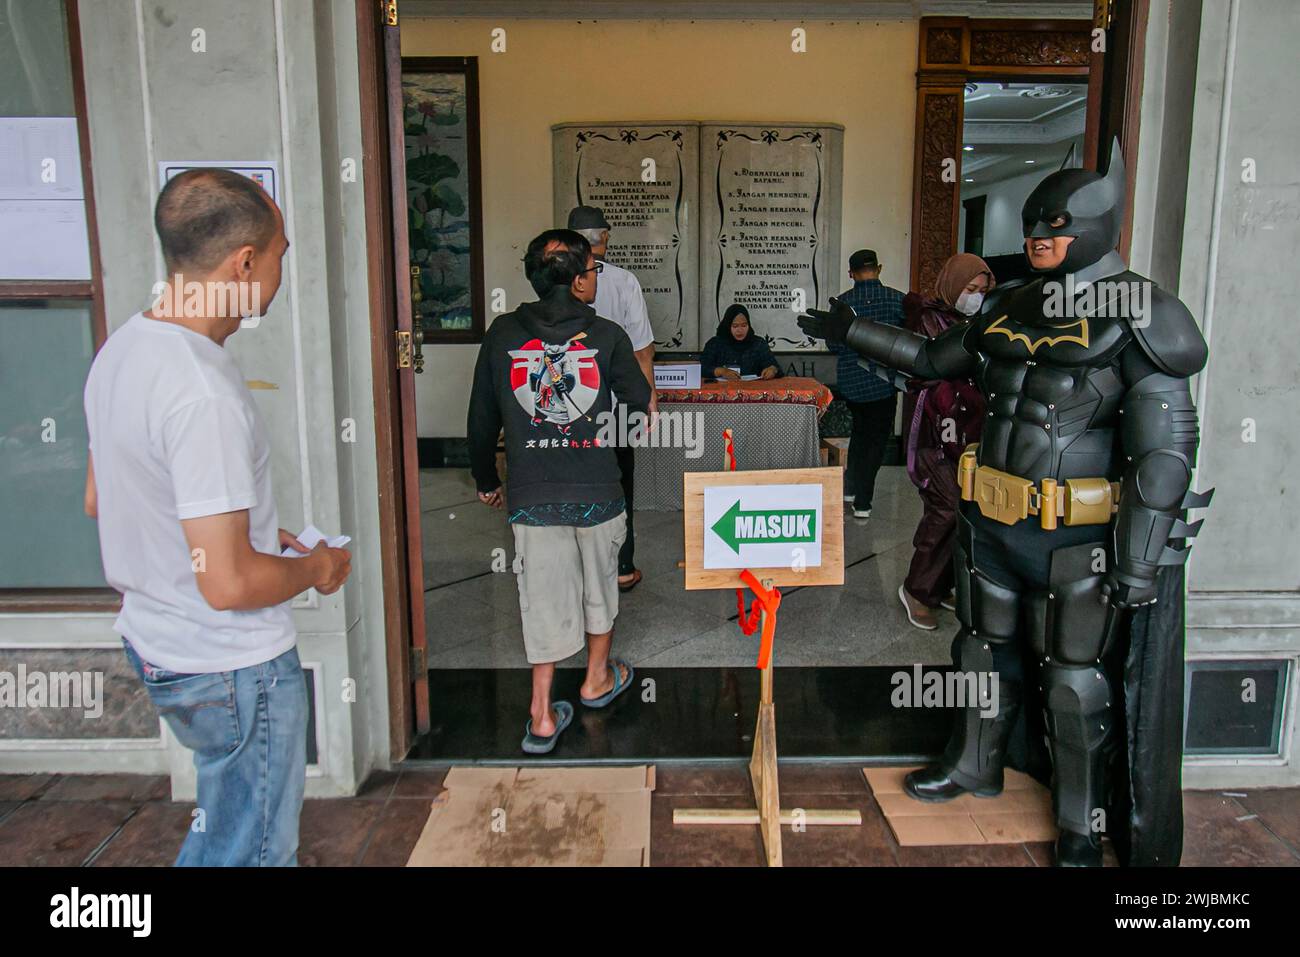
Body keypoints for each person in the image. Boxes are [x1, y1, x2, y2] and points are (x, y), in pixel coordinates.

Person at [800, 141, 1210, 866]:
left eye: (1054, 224)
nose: (1037, 237)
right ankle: (974, 763)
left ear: (1096, 224)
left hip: (1074, 536)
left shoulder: (1145, 314)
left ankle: (1082, 820)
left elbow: (1166, 449)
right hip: (990, 522)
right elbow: (931, 361)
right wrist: (851, 333)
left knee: (1074, 679)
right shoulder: (1010, 305)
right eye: (1032, 224)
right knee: (981, 651)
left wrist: (1140, 559)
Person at [82, 168, 352, 866]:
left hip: (157, 640)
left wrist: (256, 535)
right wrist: (316, 566)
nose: (280, 272)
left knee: (225, 834)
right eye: (281, 255)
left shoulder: (125, 349)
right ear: (244, 262)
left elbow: (102, 496)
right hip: (231, 667)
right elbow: (227, 584)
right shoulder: (203, 391)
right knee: (253, 851)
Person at [467, 228, 651, 755]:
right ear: (576, 280)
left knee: (541, 599)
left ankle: (542, 713)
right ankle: (595, 680)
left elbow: (480, 421)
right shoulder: (607, 335)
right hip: (597, 491)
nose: (595, 278)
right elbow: (639, 409)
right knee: (600, 586)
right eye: (591, 269)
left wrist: (486, 479)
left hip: (533, 495)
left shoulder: (503, 334)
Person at [896, 253, 993, 630]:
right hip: (934, 437)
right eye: (970, 289)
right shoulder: (928, 319)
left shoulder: (975, 322)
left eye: (983, 290)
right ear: (953, 284)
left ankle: (941, 584)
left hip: (970, 433)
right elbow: (929, 370)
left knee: (966, 511)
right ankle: (917, 590)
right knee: (945, 508)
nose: (976, 296)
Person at [568, 204, 656, 593]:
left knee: (573, 482)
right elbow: (642, 351)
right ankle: (622, 565)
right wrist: (648, 402)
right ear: (605, 236)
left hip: (568, 407)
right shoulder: (624, 281)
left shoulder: (555, 283)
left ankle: (578, 569)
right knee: (620, 483)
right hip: (616, 406)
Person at [827, 249, 905, 519]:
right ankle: (863, 500)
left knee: (860, 434)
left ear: (851, 273)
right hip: (884, 383)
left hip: (853, 383)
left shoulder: (842, 304)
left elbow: (833, 345)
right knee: (877, 442)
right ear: (879, 268)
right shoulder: (897, 300)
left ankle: (850, 487)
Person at [700, 304, 780, 380]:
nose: (740, 330)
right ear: (728, 326)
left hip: (753, 391)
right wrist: (721, 371)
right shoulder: (715, 343)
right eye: (735, 326)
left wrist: (772, 370)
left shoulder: (758, 343)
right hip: (722, 391)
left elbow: (776, 367)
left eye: (744, 325)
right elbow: (702, 368)